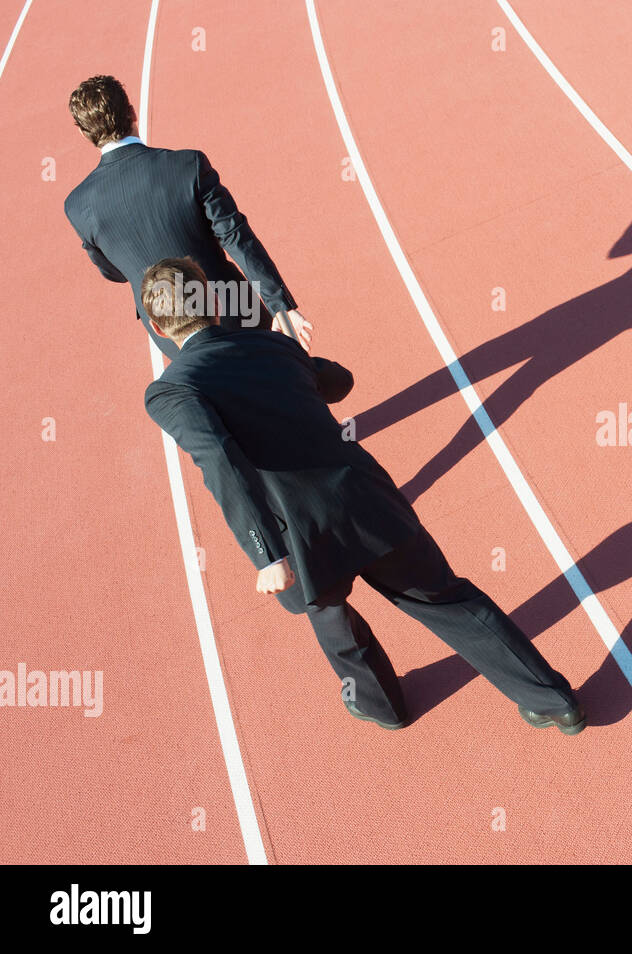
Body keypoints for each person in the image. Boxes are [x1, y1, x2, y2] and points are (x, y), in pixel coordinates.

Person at [139, 256, 585, 734]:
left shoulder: (171, 391)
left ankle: (384, 706)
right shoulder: (269, 343)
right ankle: (554, 701)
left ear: (158, 326)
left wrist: (267, 555)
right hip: (364, 496)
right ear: (212, 300)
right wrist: (289, 358)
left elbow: (219, 460)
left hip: (298, 533)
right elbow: (339, 382)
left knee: (333, 622)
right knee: (445, 598)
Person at [64, 74, 311, 358]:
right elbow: (236, 238)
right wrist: (280, 306)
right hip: (234, 308)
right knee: (279, 374)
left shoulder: (77, 205)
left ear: (83, 133)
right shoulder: (187, 165)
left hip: (169, 329)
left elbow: (113, 271)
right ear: (132, 111)